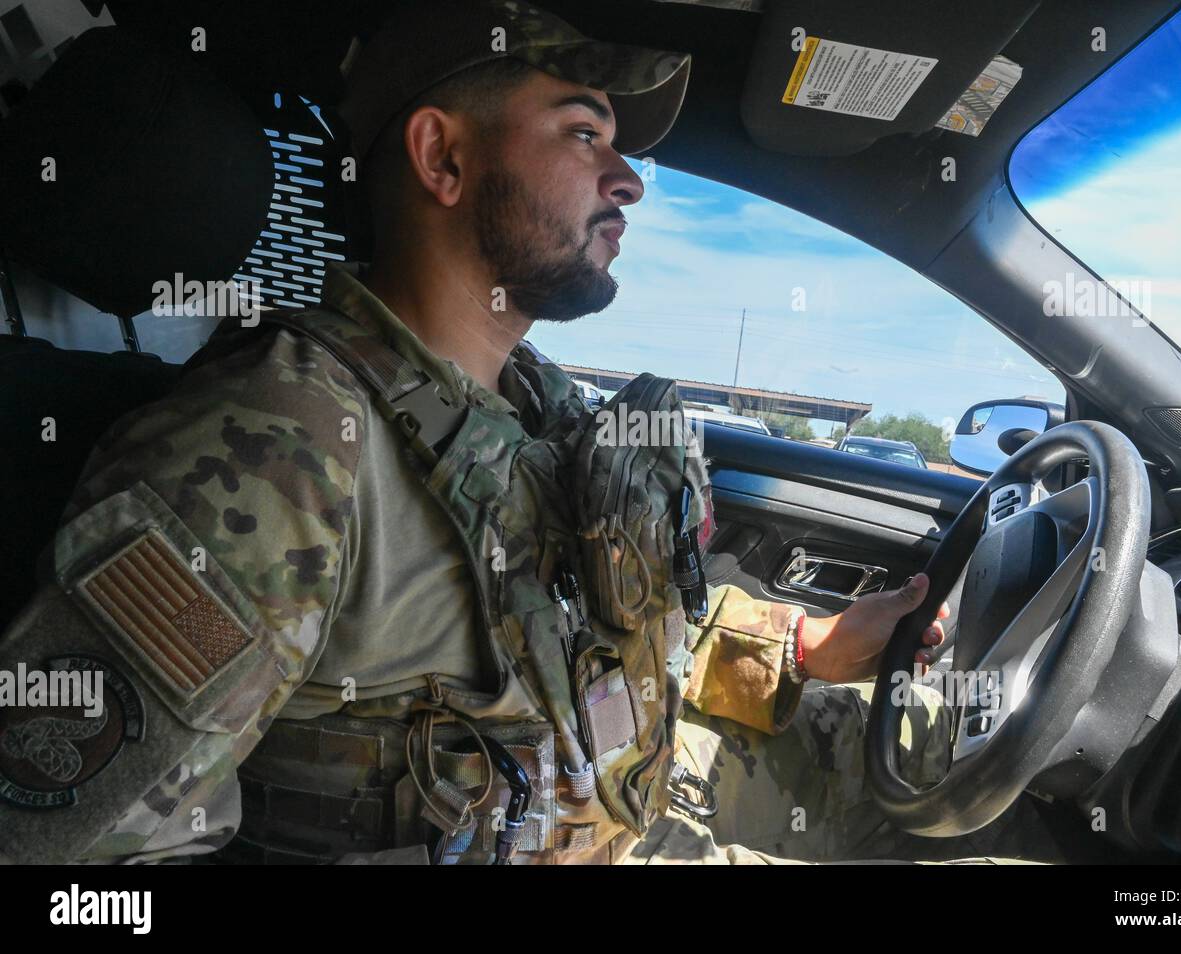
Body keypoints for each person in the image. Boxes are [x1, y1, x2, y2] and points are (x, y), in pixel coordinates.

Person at [0, 0, 950, 865]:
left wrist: (806, 646)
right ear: (441, 158)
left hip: (644, 816)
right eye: (585, 133)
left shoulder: (545, 407)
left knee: (969, 800)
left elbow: (611, 636)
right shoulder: (276, 450)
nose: (630, 184)